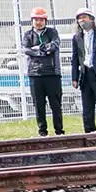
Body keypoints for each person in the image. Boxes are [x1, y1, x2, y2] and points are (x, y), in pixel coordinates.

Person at [21, 7, 65, 136]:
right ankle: (42, 132)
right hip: (35, 74)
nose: (38, 22)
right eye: (36, 20)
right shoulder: (28, 35)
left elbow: (54, 45)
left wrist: (38, 49)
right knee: (39, 105)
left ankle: (59, 131)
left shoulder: (52, 32)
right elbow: (26, 50)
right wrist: (44, 51)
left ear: (45, 20)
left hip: (52, 74)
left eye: (41, 20)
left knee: (56, 104)